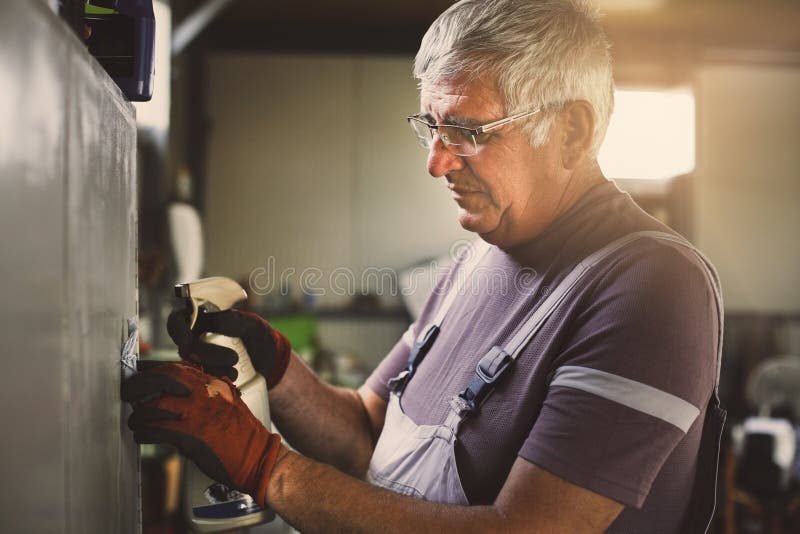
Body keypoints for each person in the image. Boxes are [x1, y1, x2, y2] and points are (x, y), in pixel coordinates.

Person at [122, 1, 725, 532]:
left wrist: (265, 467)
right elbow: (366, 436)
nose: (437, 164)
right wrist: (275, 365)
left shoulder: (650, 289)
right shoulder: (472, 262)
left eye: (466, 130)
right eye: (431, 128)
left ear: (571, 131)